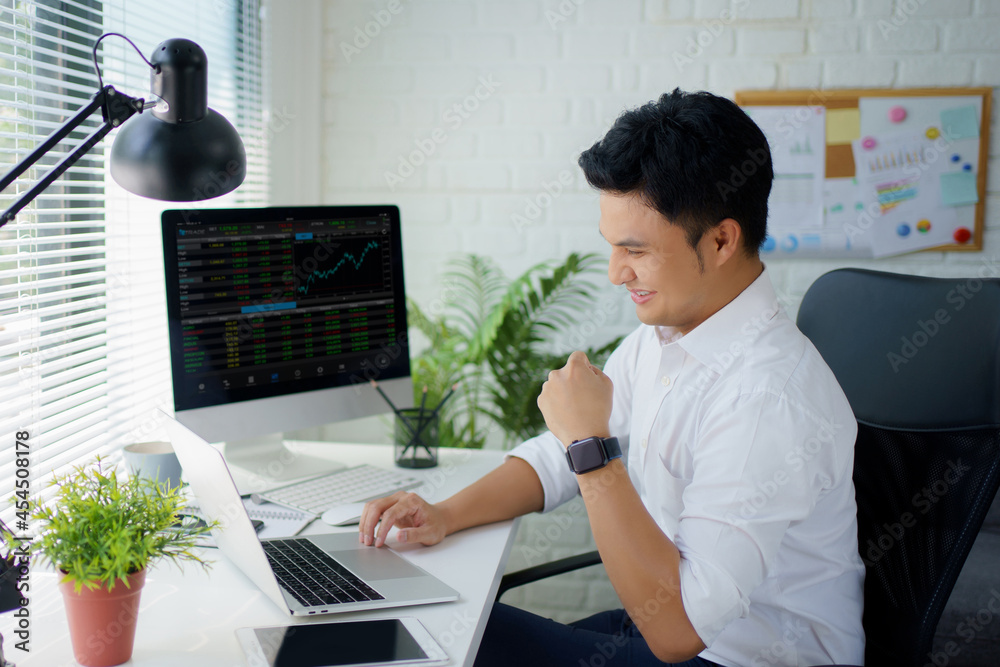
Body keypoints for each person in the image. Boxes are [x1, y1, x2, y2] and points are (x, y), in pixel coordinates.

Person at [358, 89, 865, 667]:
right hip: (669, 622)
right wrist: (444, 514)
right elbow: (557, 458)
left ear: (721, 239)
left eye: (636, 251)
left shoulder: (766, 396)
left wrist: (589, 447)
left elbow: (679, 632)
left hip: (736, 655)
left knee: (446, 635)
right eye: (612, 247)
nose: (615, 273)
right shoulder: (665, 336)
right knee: (448, 620)